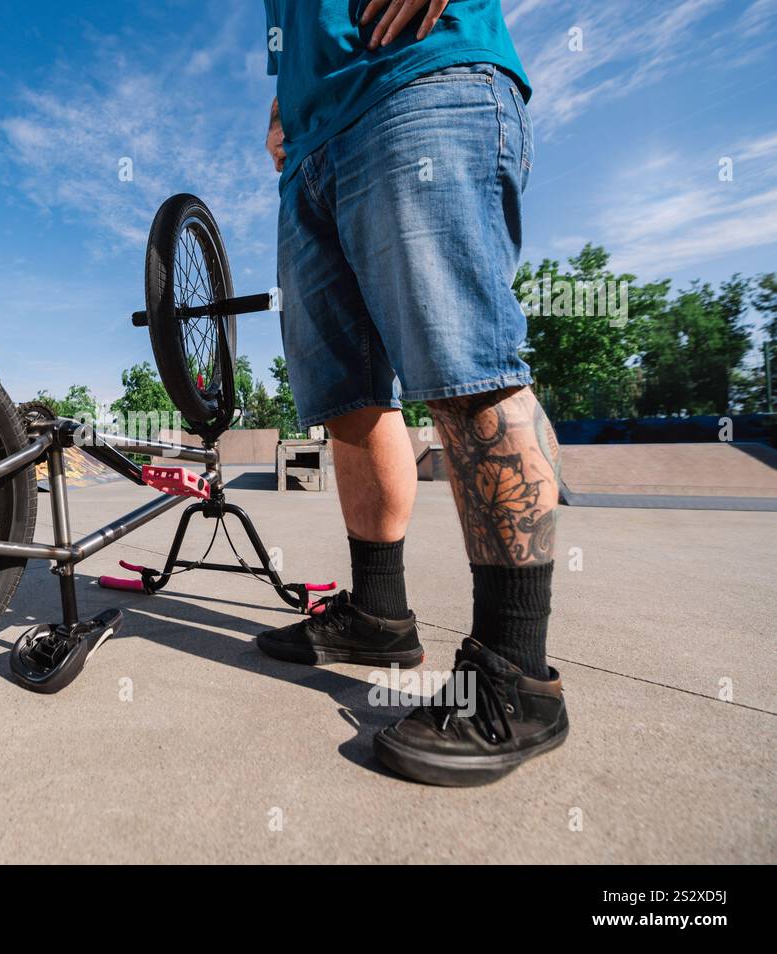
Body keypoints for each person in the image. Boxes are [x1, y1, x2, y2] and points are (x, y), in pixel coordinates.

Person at [257, 0, 567, 786]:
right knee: (348, 401)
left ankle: (516, 677)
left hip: (419, 81)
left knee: (463, 368)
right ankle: (379, 616)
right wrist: (281, 104)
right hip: (312, 149)